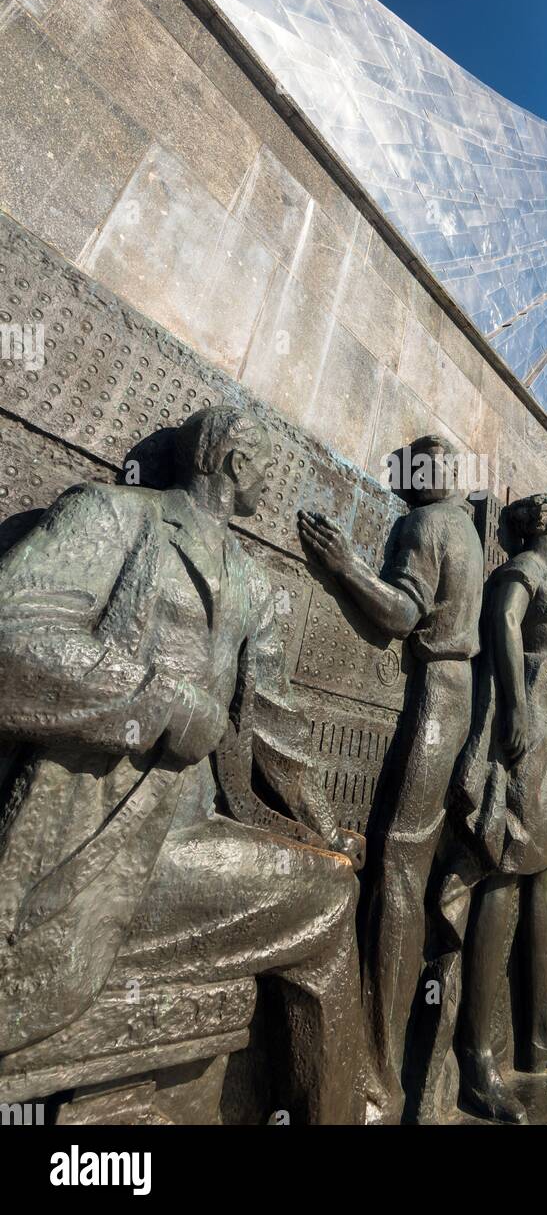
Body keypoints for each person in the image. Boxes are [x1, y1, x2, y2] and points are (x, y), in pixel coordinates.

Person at [0, 408, 363, 1123]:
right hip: (97, 840)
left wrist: (327, 831)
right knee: (326, 902)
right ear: (231, 461)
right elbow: (13, 636)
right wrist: (157, 702)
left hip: (189, 836)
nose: (270, 484)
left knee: (330, 880)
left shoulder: (255, 586)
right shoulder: (109, 512)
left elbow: (275, 737)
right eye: (265, 468)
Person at [299, 435, 484, 1123]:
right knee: (407, 864)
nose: (402, 484)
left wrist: (344, 563)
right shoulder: (464, 525)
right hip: (455, 692)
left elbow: (403, 614)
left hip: (437, 691)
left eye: (409, 472)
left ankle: (380, 1071)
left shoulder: (425, 523)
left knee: (400, 869)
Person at [450, 492, 547, 1124]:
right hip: (528, 730)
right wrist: (514, 705)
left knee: (543, 879)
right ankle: (475, 1056)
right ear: (533, 526)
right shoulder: (526, 568)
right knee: (505, 872)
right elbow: (502, 619)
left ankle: (540, 1032)